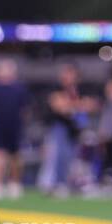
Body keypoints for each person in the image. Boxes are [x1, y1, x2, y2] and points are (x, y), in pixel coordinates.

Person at [38, 65, 91, 196]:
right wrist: (77, 105)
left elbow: (90, 105)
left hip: (74, 128)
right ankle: (54, 184)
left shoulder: (79, 89)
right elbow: (60, 107)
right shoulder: (56, 88)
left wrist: (74, 106)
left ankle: (68, 183)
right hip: (59, 127)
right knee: (57, 156)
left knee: (72, 157)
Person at [0, 59, 30, 200]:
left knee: (15, 156)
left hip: (15, 127)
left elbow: (25, 109)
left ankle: (14, 185)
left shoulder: (20, 89)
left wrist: (22, 126)